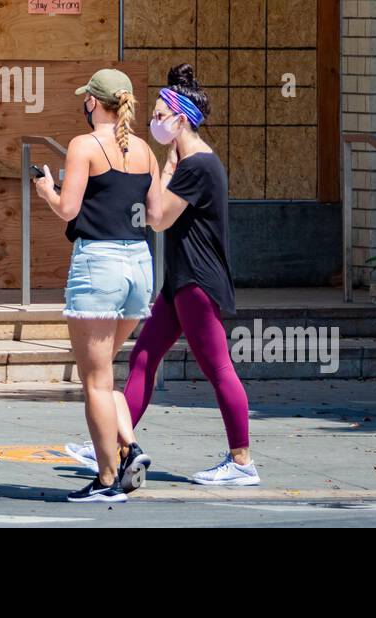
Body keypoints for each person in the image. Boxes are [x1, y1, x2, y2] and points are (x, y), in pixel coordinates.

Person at [68, 63, 258, 486]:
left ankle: (241, 460)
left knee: (218, 366)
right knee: (144, 357)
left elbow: (158, 219)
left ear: (180, 118)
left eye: (158, 114)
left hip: (197, 280)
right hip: (179, 280)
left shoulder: (197, 166)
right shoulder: (194, 161)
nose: (152, 120)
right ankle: (115, 440)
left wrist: (165, 167)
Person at [34, 69, 161, 503]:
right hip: (141, 267)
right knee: (105, 371)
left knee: (94, 380)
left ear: (92, 102)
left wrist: (46, 190)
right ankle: (129, 448)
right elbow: (158, 217)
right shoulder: (145, 150)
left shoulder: (83, 145)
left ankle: (108, 480)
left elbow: (68, 209)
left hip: (99, 264)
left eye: (85, 99)